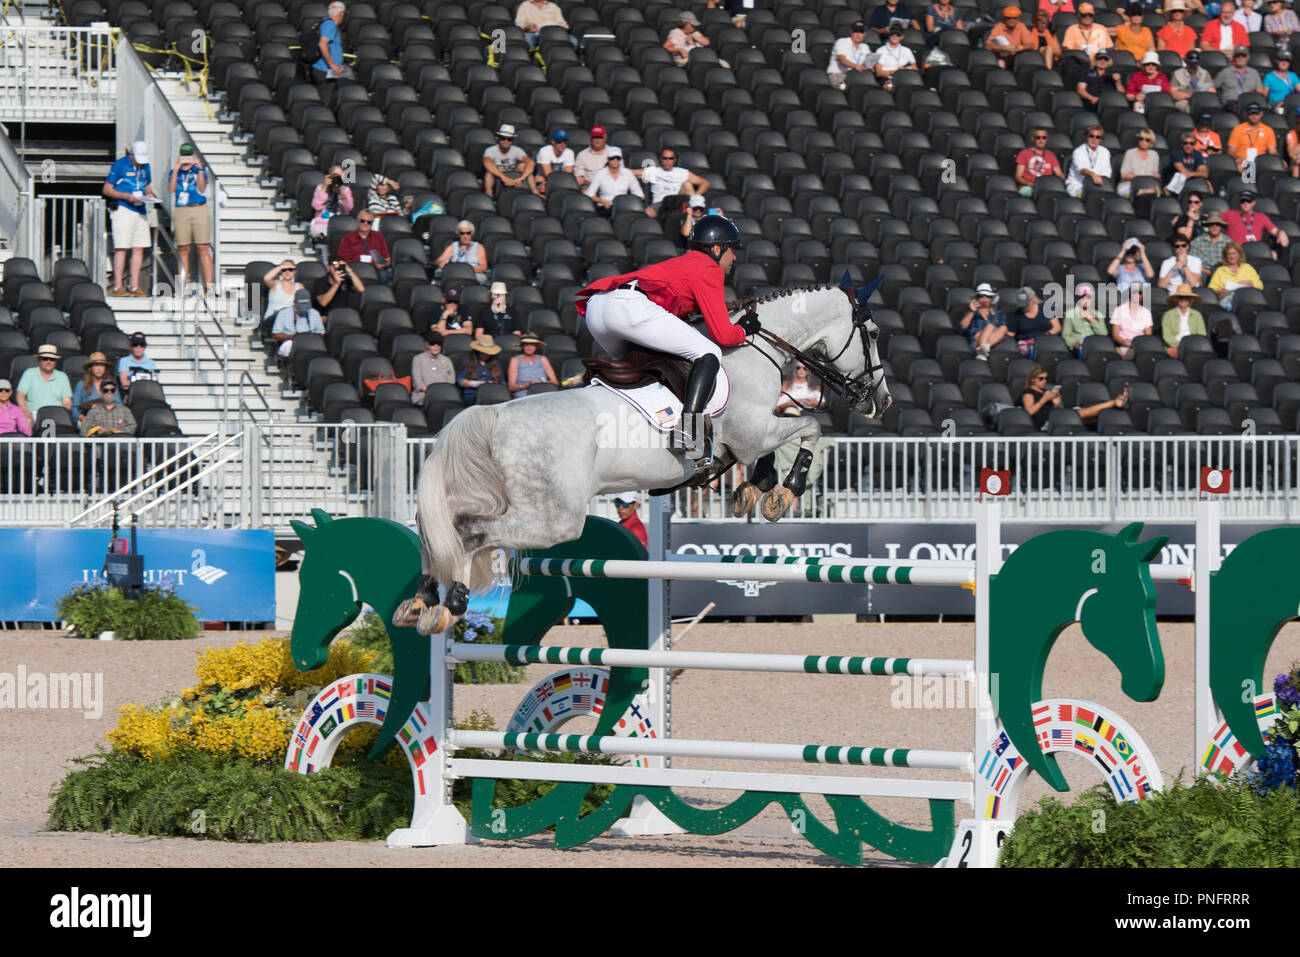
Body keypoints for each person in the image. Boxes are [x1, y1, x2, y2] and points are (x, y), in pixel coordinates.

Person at [575, 214, 756, 463]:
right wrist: (744, 330)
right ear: (717, 249)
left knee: (640, 366)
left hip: (599, 307)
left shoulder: (684, 263)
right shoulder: (709, 268)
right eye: (732, 249)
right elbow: (723, 335)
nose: (734, 257)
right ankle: (689, 430)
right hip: (630, 308)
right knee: (709, 353)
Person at [103, 140, 156, 297]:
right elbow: (107, 189)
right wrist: (126, 196)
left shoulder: (145, 166)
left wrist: (150, 194)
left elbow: (146, 185)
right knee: (122, 247)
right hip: (123, 208)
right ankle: (118, 286)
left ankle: (134, 286)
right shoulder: (120, 165)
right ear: (130, 154)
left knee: (139, 247)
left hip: (140, 208)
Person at [167, 142, 214, 295]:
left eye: (188, 156)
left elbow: (202, 187)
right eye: (183, 156)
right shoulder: (176, 171)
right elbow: (171, 189)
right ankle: (184, 284)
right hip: (182, 209)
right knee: (183, 248)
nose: (186, 160)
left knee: (203, 247)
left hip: (198, 207)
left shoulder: (198, 170)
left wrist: (199, 168)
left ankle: (210, 286)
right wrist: (176, 169)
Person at [632, 148, 709, 223]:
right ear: (660, 159)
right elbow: (630, 172)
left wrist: (696, 196)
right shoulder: (653, 171)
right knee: (647, 213)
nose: (668, 161)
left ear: (674, 160)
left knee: (687, 184)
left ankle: (694, 219)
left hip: (677, 202)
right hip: (660, 203)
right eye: (665, 158)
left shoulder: (682, 172)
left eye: (671, 158)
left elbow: (705, 183)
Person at [16, 343, 72, 428]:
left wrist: (62, 417)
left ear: (55, 362)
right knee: (25, 423)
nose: (49, 362)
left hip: (56, 416)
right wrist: (25, 413)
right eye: (45, 359)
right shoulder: (29, 373)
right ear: (39, 360)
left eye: (52, 359)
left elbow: (67, 402)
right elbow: (20, 396)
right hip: (33, 416)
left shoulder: (62, 376)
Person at [1223, 188, 1291, 251]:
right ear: (1239, 203)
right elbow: (1214, 219)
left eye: (1248, 201)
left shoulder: (1261, 217)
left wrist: (1281, 232)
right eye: (1243, 201)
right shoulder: (1230, 214)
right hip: (1235, 253)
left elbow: (1275, 231)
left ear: (1253, 202)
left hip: (1254, 251)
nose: (1245, 203)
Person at [337, 210, 392, 284]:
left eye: (369, 222)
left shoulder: (379, 237)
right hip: (354, 269)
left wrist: (383, 265)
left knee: (384, 275)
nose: (365, 224)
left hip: (374, 269)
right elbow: (341, 259)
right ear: (358, 222)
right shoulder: (347, 238)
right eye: (363, 221)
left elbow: (387, 260)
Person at [271, 288, 325, 359]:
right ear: (294, 302)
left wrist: (311, 336)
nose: (303, 310)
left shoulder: (315, 313)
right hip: (290, 341)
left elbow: (322, 333)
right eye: (301, 307)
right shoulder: (283, 313)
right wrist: (293, 336)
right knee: (290, 347)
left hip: (311, 342)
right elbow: (275, 335)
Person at [959, 282, 1010, 357]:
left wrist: (988, 333)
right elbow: (961, 328)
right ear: (977, 298)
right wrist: (972, 311)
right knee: (990, 326)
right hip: (975, 343)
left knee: (1003, 327)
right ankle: (982, 352)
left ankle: (983, 350)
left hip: (993, 342)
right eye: (981, 296)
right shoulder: (971, 313)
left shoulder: (998, 313)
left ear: (991, 299)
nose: (984, 299)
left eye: (987, 296)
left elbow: (1000, 331)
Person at [482, 124, 533, 197]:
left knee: (523, 166)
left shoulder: (517, 150)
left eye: (509, 139)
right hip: (498, 176)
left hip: (513, 176)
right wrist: (503, 177)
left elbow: (530, 162)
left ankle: (534, 192)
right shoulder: (490, 150)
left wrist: (522, 178)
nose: (506, 141)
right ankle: (489, 195)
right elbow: (487, 163)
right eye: (503, 138)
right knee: (489, 173)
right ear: (498, 138)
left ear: (512, 140)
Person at [1208, 240, 1262, 308]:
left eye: (1234, 253)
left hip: (1247, 298)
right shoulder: (1220, 271)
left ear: (1239, 254)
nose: (1232, 256)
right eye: (1229, 254)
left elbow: (1260, 287)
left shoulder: (1248, 268)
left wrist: (1251, 284)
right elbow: (1211, 290)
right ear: (1225, 256)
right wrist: (1220, 292)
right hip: (1227, 300)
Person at [585, 146, 641, 211]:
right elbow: (589, 194)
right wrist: (602, 201)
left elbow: (639, 194)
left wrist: (628, 203)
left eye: (618, 158)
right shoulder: (600, 174)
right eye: (612, 158)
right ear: (607, 159)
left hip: (624, 207)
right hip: (605, 208)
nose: (615, 160)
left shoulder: (628, 173)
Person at [1007, 287, 1060, 356]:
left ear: (1032, 299)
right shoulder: (1017, 315)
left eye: (1026, 304)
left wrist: (1045, 336)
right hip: (1026, 345)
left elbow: (1057, 327)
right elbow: (1011, 334)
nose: (1023, 307)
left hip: (1046, 340)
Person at [1228, 102, 1279, 172]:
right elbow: (1231, 150)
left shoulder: (1268, 130)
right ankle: (1247, 182)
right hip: (1244, 161)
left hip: (1261, 162)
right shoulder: (1238, 129)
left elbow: (1272, 151)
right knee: (1240, 166)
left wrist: (1279, 160)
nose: (1254, 116)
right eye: (1251, 113)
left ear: (1261, 114)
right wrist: (1238, 157)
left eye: (1256, 113)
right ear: (1247, 114)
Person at [410, 330, 457, 406]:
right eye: (432, 344)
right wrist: (432, 392)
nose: (436, 346)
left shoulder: (447, 360)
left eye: (439, 344)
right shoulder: (418, 359)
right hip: (424, 396)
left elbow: (451, 381)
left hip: (444, 396)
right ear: (427, 345)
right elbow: (417, 382)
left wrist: (441, 393)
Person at [1066, 124, 1113, 197]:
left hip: (1097, 186)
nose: (1094, 139)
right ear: (1086, 136)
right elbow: (1081, 170)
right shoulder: (1078, 151)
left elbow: (1107, 173)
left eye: (1097, 137)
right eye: (1091, 136)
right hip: (1078, 185)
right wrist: (1092, 175)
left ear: (1101, 139)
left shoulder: (1105, 152)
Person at [1062, 283, 1109, 355]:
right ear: (1079, 300)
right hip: (1079, 347)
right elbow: (1065, 335)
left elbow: (1103, 333)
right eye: (1082, 298)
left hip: (1095, 346)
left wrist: (1091, 320)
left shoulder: (1098, 314)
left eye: (1088, 297)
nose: (1086, 300)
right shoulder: (1070, 314)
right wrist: (1074, 343)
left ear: (1092, 299)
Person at [1161, 283, 1208, 355]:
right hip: (1175, 346)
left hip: (1193, 346)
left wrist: (1191, 345)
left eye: (1186, 297)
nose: (1183, 300)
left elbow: (1202, 334)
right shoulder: (1168, 315)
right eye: (1180, 297)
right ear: (1176, 299)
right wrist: (1181, 346)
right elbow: (1167, 336)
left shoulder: (1197, 315)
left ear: (1190, 300)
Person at [309, 165, 354, 239]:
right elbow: (316, 206)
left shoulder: (346, 190)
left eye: (339, 176)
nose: (337, 179)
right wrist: (325, 187)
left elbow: (348, 208)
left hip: (339, 222)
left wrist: (341, 194)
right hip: (322, 221)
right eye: (335, 176)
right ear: (329, 176)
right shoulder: (320, 188)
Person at [1110, 284, 1154, 357]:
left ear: (1142, 295)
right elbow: (1115, 334)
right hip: (1123, 344)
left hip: (1140, 346)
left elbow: (1148, 335)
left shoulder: (1146, 312)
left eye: (1139, 293)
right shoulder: (1119, 310)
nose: (1136, 295)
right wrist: (1124, 342)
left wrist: (1135, 344)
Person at [312, 2, 353, 80]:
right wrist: (333, 65)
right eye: (344, 14)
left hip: (329, 70)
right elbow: (322, 44)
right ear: (340, 14)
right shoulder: (330, 25)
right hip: (325, 70)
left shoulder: (326, 23)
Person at [458, 334, 504, 405]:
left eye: (488, 353)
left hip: (492, 394)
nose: (485, 355)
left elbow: (503, 383)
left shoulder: (496, 363)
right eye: (483, 352)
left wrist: (491, 384)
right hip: (472, 394)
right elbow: (460, 381)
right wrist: (477, 384)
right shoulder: (467, 360)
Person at [1216, 47, 1265, 111]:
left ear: (1248, 57)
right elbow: (1212, 87)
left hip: (1248, 105)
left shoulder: (1254, 73)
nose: (1240, 58)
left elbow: (1260, 92)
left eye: (1243, 56)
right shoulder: (1225, 72)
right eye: (1238, 56)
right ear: (1234, 57)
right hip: (1230, 106)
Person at [827, 20, 872, 89]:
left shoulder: (865, 47)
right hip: (839, 74)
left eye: (861, 32)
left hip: (857, 76)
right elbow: (842, 60)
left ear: (864, 34)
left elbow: (868, 63)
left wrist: (869, 67)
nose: (858, 34)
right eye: (855, 31)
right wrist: (855, 66)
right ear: (851, 32)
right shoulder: (841, 42)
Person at [1118, 128, 1162, 199]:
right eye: (1141, 139)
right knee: (1126, 192)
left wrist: (1155, 177)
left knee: (1157, 192)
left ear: (1151, 142)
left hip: (1147, 186)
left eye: (1147, 140)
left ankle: (1143, 191)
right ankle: (1142, 191)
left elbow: (1154, 175)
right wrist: (1142, 178)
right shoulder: (1130, 153)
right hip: (1129, 185)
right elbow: (1124, 175)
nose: (1143, 142)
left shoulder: (1154, 155)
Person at [73, 352, 112, 421]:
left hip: (108, 420)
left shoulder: (111, 384)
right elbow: (74, 408)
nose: (99, 368)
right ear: (91, 368)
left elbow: (119, 404)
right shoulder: (81, 385)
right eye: (96, 365)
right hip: (87, 420)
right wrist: (82, 418)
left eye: (102, 365)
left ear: (105, 368)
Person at [532, 129, 575, 194]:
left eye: (565, 142)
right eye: (559, 141)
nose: (562, 144)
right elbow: (549, 175)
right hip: (544, 182)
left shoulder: (569, 152)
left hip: (561, 183)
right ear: (553, 141)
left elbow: (567, 175)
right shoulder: (544, 151)